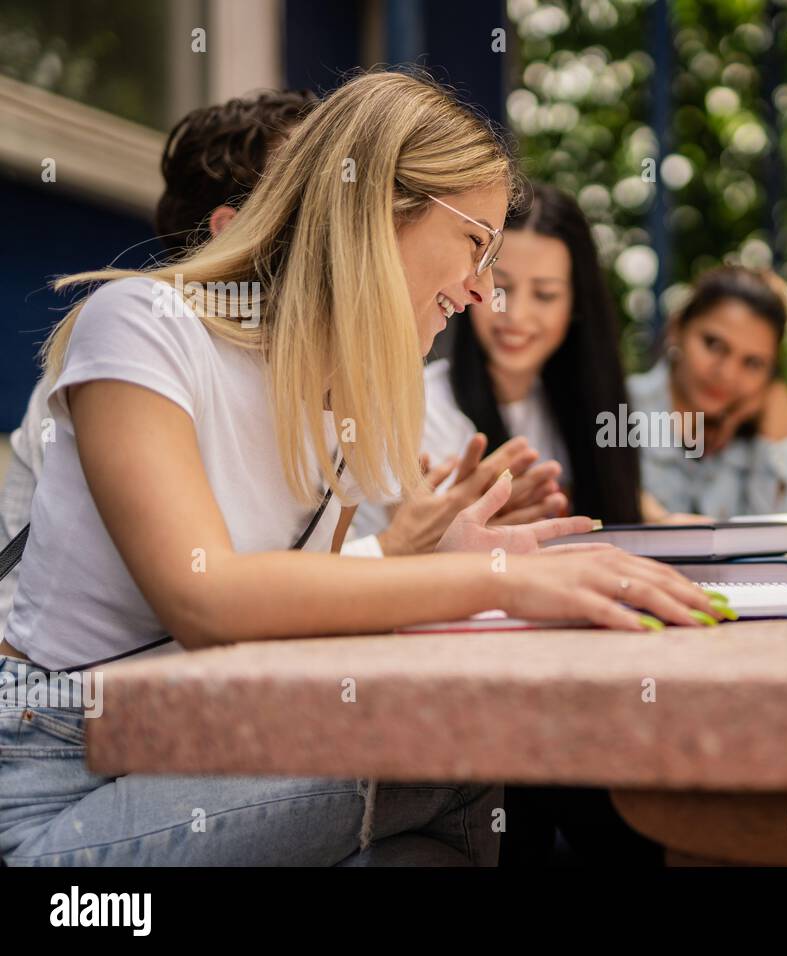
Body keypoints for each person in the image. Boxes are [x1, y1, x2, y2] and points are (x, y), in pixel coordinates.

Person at [0, 70, 721, 867]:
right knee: (464, 767)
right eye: (478, 246)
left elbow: (297, 624)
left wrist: (440, 565)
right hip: (56, 776)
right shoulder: (144, 324)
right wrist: (499, 585)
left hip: (193, 741)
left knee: (448, 823)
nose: (485, 292)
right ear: (378, 208)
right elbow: (207, 596)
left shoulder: (341, 389)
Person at [1, 90, 319, 632]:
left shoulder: (301, 367)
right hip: (45, 694)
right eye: (309, 191)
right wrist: (398, 552)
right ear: (234, 230)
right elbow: (213, 599)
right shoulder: (145, 338)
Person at [349, 183, 642, 553]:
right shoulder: (416, 407)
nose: (516, 316)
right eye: (501, 289)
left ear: (577, 304)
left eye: (545, 295)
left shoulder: (581, 409)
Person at [630, 265, 787, 521]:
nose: (727, 374)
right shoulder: (618, 408)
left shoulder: (756, 432)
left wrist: (776, 404)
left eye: (753, 363)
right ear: (676, 329)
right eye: (714, 345)